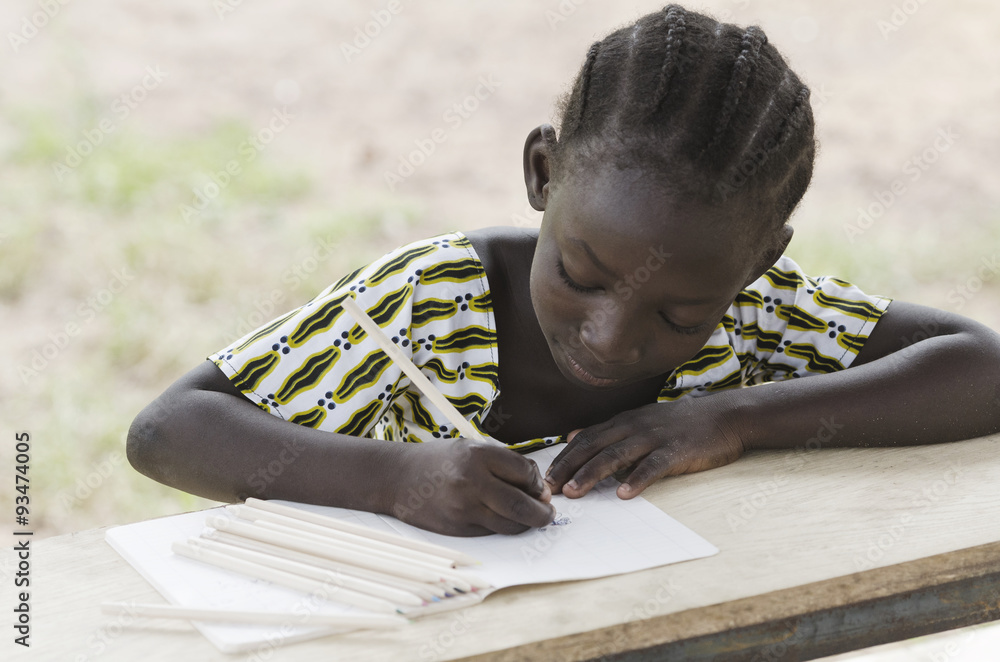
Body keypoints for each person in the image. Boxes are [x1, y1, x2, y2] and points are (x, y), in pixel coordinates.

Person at [127, 4, 1000, 537]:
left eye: (677, 315)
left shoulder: (751, 308)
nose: (612, 338)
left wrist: (736, 418)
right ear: (543, 175)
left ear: (759, 262)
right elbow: (169, 431)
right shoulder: (427, 303)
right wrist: (393, 482)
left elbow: (980, 367)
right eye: (583, 277)